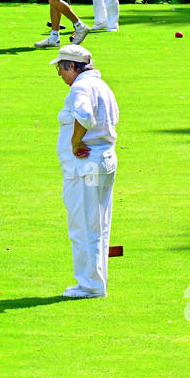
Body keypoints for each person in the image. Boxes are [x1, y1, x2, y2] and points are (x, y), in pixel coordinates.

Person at [51, 44, 119, 298]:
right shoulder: (102, 85)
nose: (59, 73)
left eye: (60, 67)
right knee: (98, 224)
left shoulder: (81, 87)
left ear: (72, 66)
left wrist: (75, 141)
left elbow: (85, 116)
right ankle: (96, 282)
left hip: (85, 165)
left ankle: (89, 285)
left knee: (83, 226)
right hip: (104, 160)